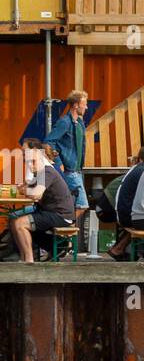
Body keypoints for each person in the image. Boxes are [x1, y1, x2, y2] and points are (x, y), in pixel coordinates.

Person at [8, 140, 75, 262]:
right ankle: (23, 258)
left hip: (60, 215)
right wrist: (26, 188)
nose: (23, 154)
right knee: (14, 221)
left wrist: (25, 190)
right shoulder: (39, 172)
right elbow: (28, 188)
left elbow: (37, 194)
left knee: (20, 223)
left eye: (25, 151)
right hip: (52, 212)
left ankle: (29, 261)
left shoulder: (47, 171)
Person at [43, 90, 89, 224]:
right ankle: (64, 231)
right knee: (82, 205)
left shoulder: (79, 123)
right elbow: (49, 142)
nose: (86, 107)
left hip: (77, 170)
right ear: (75, 105)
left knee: (71, 205)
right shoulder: (65, 122)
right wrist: (58, 161)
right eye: (84, 104)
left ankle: (63, 236)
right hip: (69, 171)